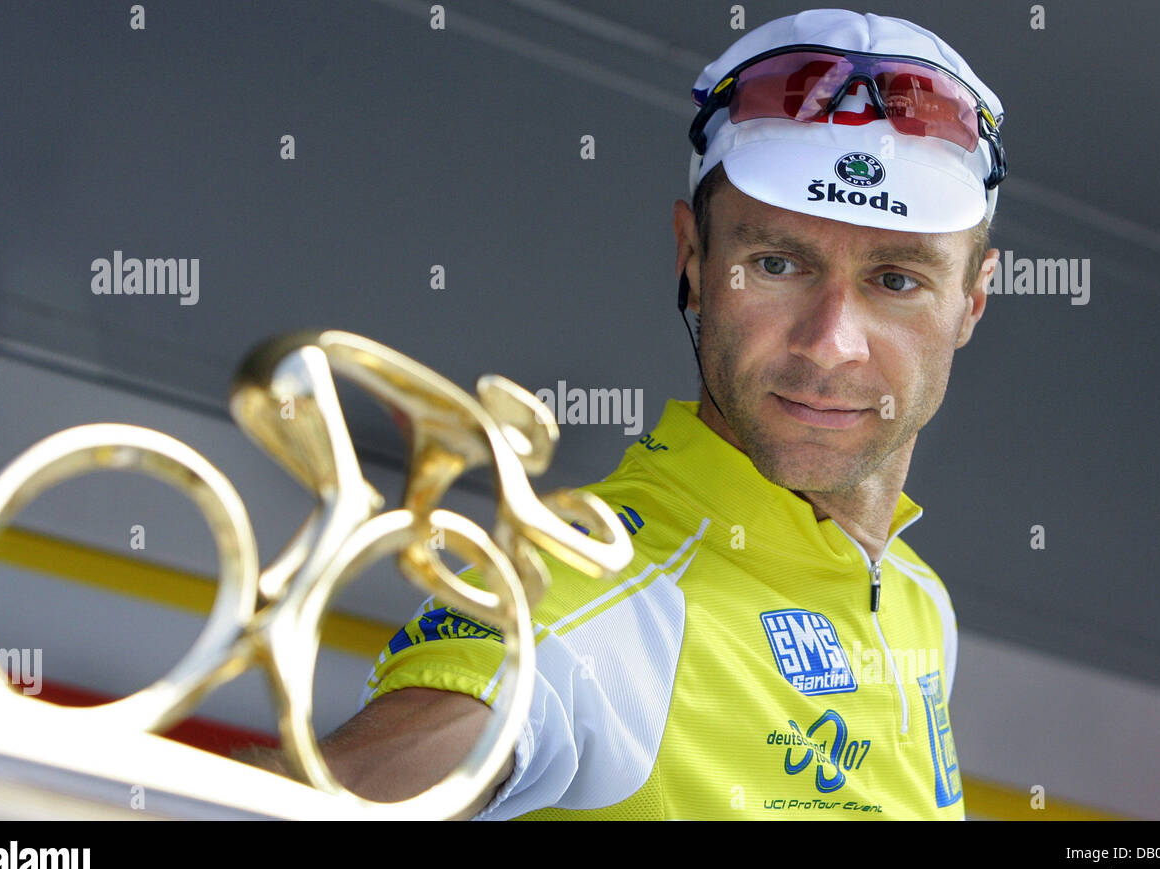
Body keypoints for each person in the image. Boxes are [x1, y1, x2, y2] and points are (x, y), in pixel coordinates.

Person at [311, 8, 1006, 819]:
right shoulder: (583, 599)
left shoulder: (922, 605)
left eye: (896, 280)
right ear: (693, 262)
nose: (830, 345)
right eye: (777, 263)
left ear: (973, 299)